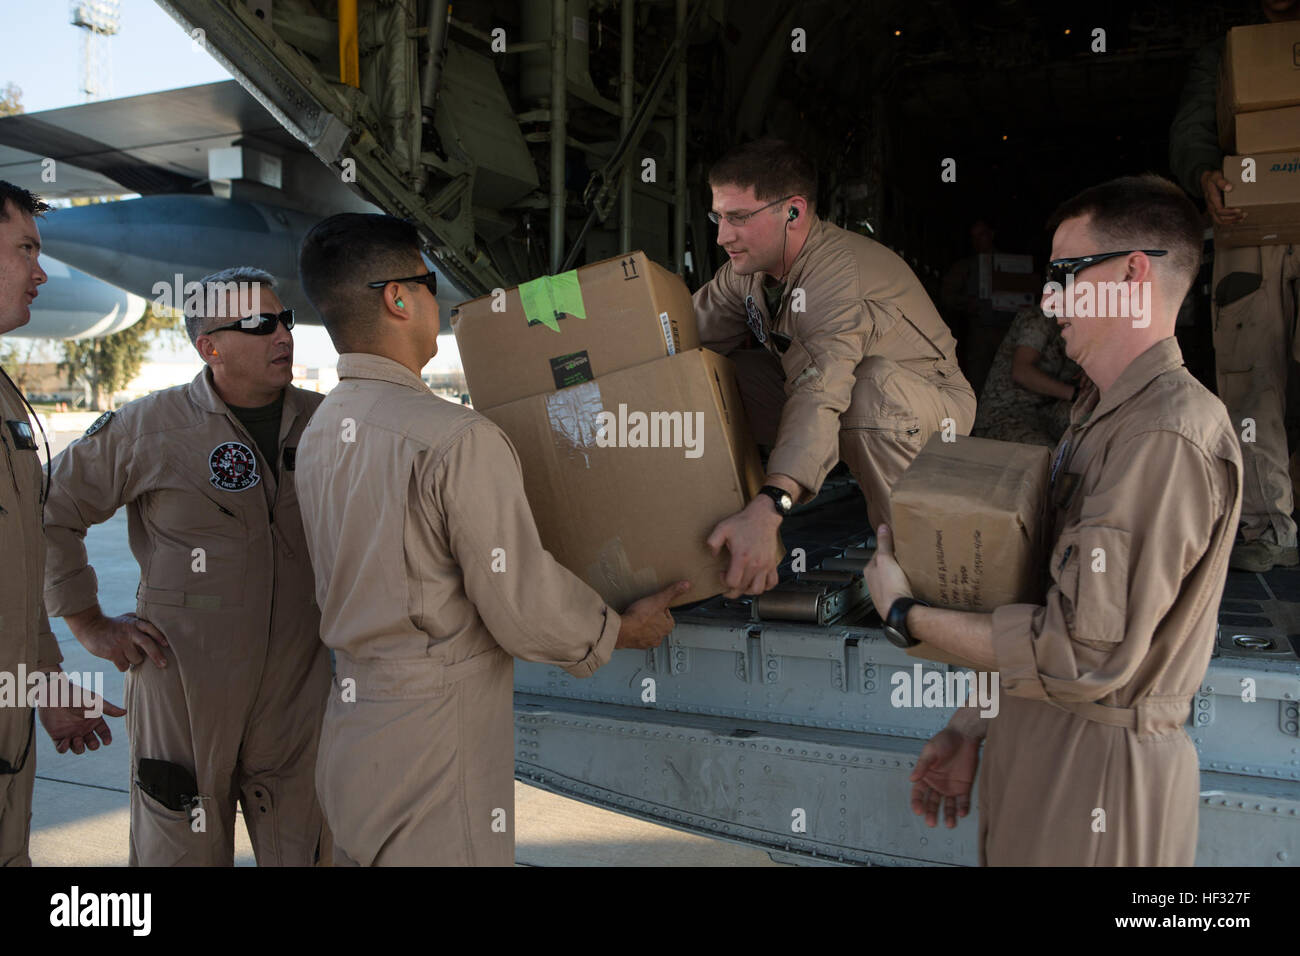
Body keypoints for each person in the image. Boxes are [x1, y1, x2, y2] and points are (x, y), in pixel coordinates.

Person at [865, 174, 1242, 866]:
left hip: (1097, 782)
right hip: (1046, 750)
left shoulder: (1163, 435)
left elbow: (1083, 653)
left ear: (1132, 274)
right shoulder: (1105, 418)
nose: (1050, 297)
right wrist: (973, 725)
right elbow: (1053, 603)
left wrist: (904, 617)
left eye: (1067, 273)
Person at [295, 213, 685, 866]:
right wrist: (619, 629)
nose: (438, 299)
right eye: (427, 281)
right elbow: (523, 609)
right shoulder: (453, 437)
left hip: (351, 732)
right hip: (432, 749)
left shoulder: (323, 430)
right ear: (397, 297)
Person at [42, 267, 331, 866]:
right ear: (210, 347)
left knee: (313, 849)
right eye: (258, 324)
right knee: (178, 850)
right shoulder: (151, 427)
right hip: (183, 687)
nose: (283, 335)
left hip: (299, 691)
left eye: (285, 320)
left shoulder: (329, 422)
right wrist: (90, 624)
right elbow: (52, 510)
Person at [694, 138, 976, 598]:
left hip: (927, 406)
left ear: (794, 212)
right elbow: (680, 333)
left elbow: (821, 389)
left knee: (868, 391)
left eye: (739, 217)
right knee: (716, 377)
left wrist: (774, 503)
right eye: (718, 217)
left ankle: (926, 580)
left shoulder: (837, 273)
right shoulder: (746, 274)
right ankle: (719, 541)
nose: (723, 235)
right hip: (847, 405)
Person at [0, 180, 123, 867]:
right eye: (25, 249)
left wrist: (41, 678)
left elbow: (11, 568)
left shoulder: (6, 395)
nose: (40, 271)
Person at [1170, 0, 1300, 572]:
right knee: (1251, 375)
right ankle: (1269, 528)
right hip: (1249, 221)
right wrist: (1205, 174)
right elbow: (1191, 128)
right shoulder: (1226, 50)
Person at [971, 303, 1082, 447]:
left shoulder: (1085, 327)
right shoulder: (1040, 318)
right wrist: (1075, 394)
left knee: (1086, 428)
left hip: (1045, 413)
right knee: (1048, 458)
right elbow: (1021, 372)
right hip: (1006, 415)